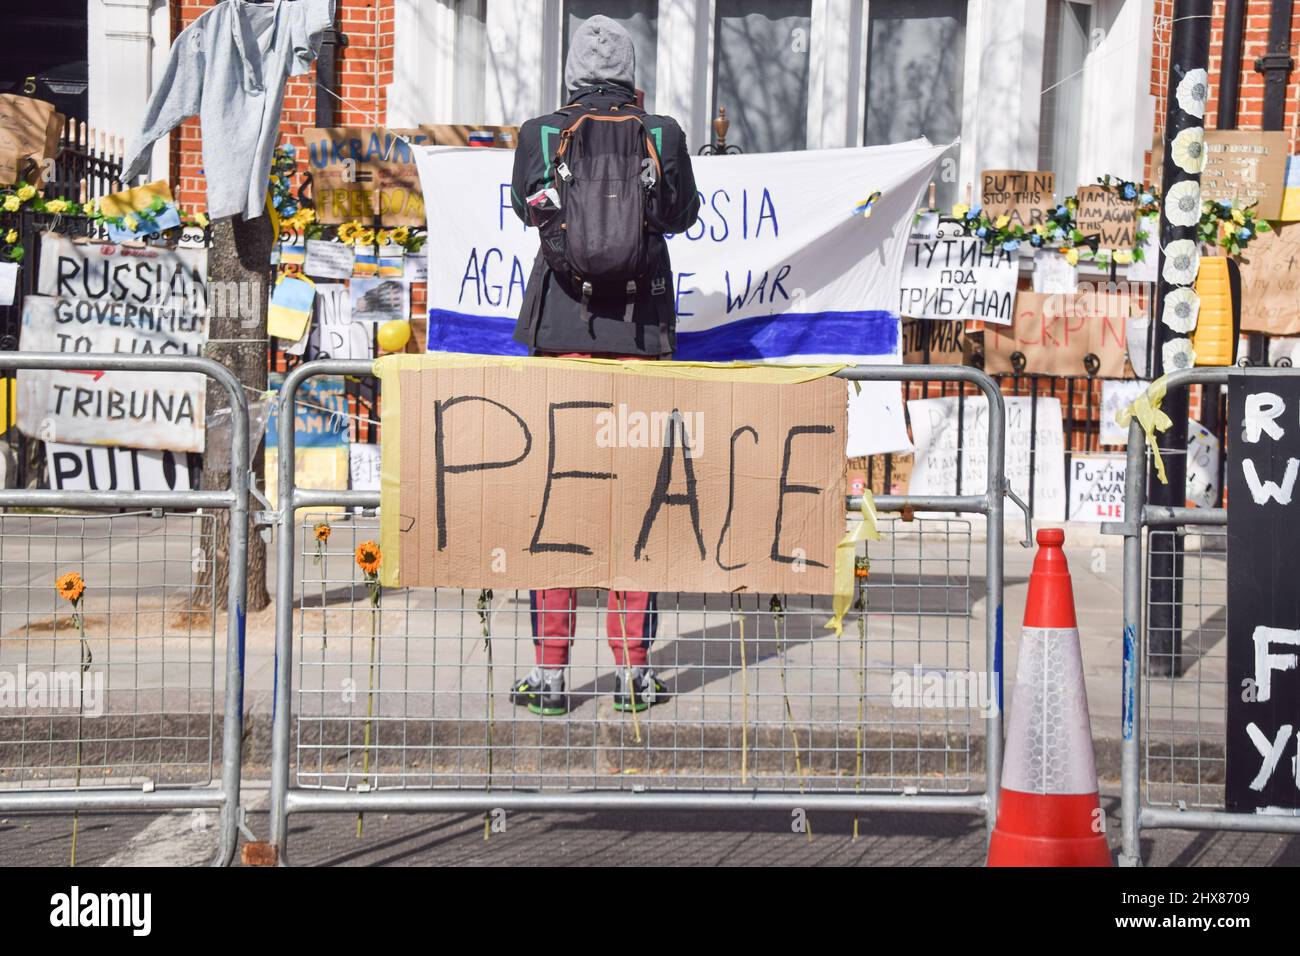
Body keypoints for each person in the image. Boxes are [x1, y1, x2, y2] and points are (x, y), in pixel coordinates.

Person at [507, 15, 701, 716]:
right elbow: (680, 216)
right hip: (641, 338)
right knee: (635, 508)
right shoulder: (664, 133)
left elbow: (528, 213)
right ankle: (635, 674)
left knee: (558, 503)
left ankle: (552, 675)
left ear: (572, 76)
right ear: (629, 71)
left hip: (563, 333)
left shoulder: (539, 132)